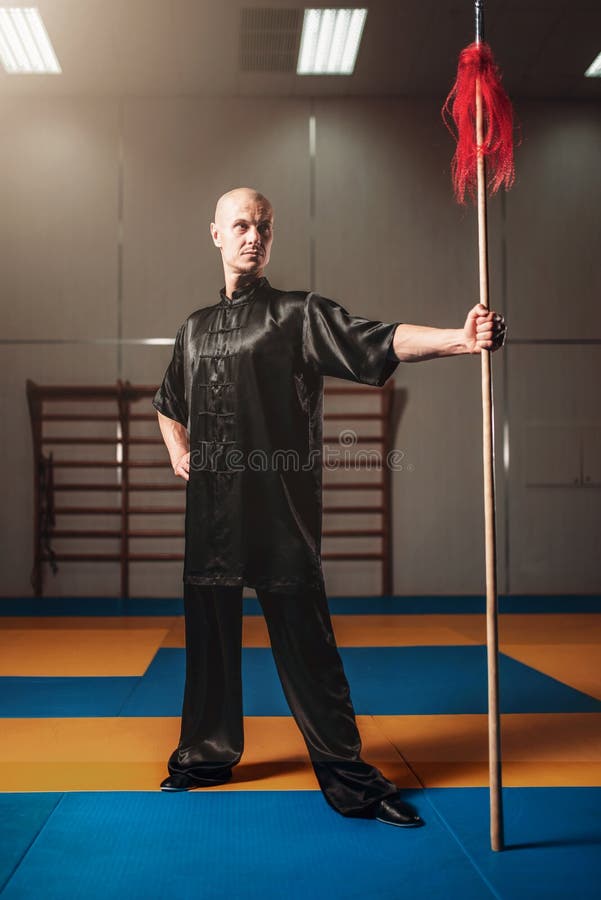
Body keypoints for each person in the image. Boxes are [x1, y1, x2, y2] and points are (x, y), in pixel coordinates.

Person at [153, 187, 506, 828]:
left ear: (270, 237)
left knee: (311, 655)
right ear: (215, 234)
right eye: (240, 225)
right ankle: (204, 759)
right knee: (208, 650)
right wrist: (178, 450)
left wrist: (461, 338)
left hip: (280, 518)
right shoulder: (193, 329)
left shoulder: (295, 315)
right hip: (210, 523)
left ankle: (350, 781)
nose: (252, 235)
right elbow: (166, 402)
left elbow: (381, 340)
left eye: (262, 226)